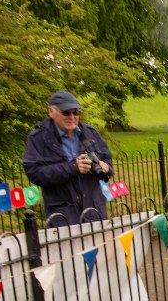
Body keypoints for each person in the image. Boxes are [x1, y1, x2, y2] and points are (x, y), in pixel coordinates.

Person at [22, 91, 114, 227]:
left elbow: (108, 163)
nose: (72, 117)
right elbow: (34, 173)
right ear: (51, 112)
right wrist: (73, 168)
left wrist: (105, 168)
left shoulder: (90, 133)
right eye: (66, 112)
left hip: (94, 213)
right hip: (62, 217)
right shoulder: (38, 138)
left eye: (76, 112)